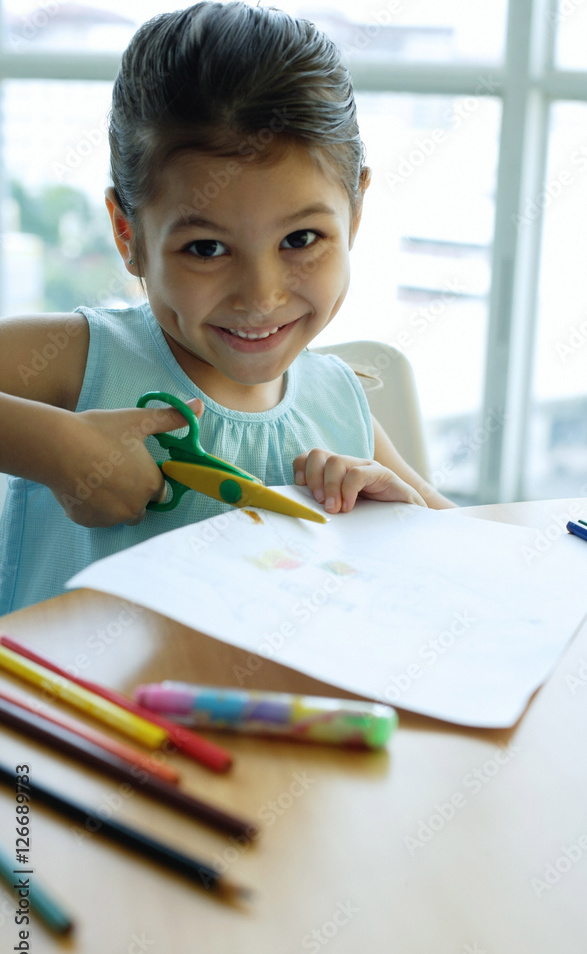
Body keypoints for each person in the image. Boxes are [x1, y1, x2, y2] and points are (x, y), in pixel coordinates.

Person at [0, 0, 454, 614]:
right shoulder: (85, 362)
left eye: (300, 240)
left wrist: (403, 525)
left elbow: (480, 566)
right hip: (59, 712)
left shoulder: (338, 403)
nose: (260, 296)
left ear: (356, 212)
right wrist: (52, 446)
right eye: (206, 248)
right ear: (127, 234)